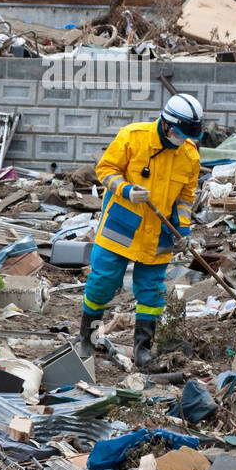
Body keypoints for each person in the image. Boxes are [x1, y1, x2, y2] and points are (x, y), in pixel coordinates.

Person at [80, 93, 202, 367]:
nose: (183, 140)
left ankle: (142, 349)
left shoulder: (189, 155)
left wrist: (183, 230)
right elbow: (105, 169)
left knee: (151, 291)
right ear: (168, 125)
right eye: (181, 134)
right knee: (103, 282)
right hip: (122, 225)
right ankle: (86, 338)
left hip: (159, 233)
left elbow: (185, 197)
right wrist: (125, 189)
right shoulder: (133, 137)